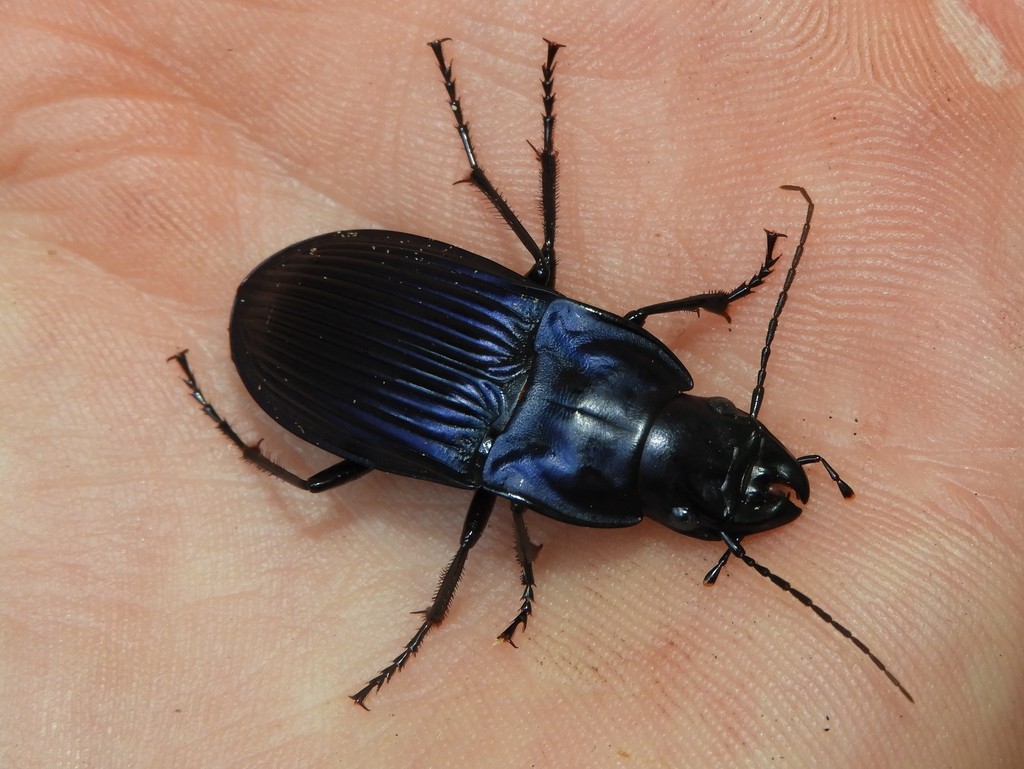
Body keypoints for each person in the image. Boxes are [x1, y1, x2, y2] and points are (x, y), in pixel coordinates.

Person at [2, 4, 1021, 767]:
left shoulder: (594, 353)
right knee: (337, 473)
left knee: (531, 272)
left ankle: (251, 438)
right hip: (315, 322)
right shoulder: (538, 458)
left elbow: (581, 302)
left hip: (350, 322)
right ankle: (235, 440)